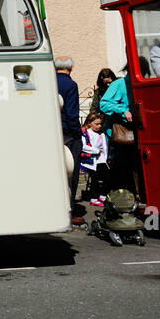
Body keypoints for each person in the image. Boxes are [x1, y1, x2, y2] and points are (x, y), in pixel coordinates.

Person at [99, 69, 139, 195]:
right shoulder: (119, 84)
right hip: (122, 135)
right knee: (123, 168)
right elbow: (104, 104)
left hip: (138, 132)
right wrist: (123, 110)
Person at [55, 56, 84, 223]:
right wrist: (78, 133)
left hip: (53, 129)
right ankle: (70, 209)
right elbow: (72, 113)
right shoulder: (70, 85)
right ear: (71, 67)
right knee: (70, 170)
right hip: (68, 132)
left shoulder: (49, 81)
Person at [80, 111, 109, 205]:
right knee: (94, 180)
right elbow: (83, 146)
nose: (99, 126)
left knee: (108, 177)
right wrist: (96, 150)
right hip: (92, 161)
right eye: (97, 124)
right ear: (89, 123)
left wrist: (106, 156)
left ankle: (102, 196)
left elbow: (105, 146)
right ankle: (93, 199)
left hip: (102, 160)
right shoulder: (86, 133)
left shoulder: (102, 134)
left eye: (100, 124)